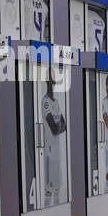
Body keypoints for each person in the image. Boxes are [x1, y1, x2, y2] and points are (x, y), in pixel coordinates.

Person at [41, 75, 67, 205]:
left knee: (57, 188)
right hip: (50, 150)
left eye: (54, 81)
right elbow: (55, 128)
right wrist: (59, 126)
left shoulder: (56, 102)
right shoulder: (45, 101)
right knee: (49, 189)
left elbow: (64, 125)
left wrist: (59, 126)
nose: (53, 83)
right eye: (51, 80)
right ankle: (45, 215)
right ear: (47, 82)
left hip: (57, 151)